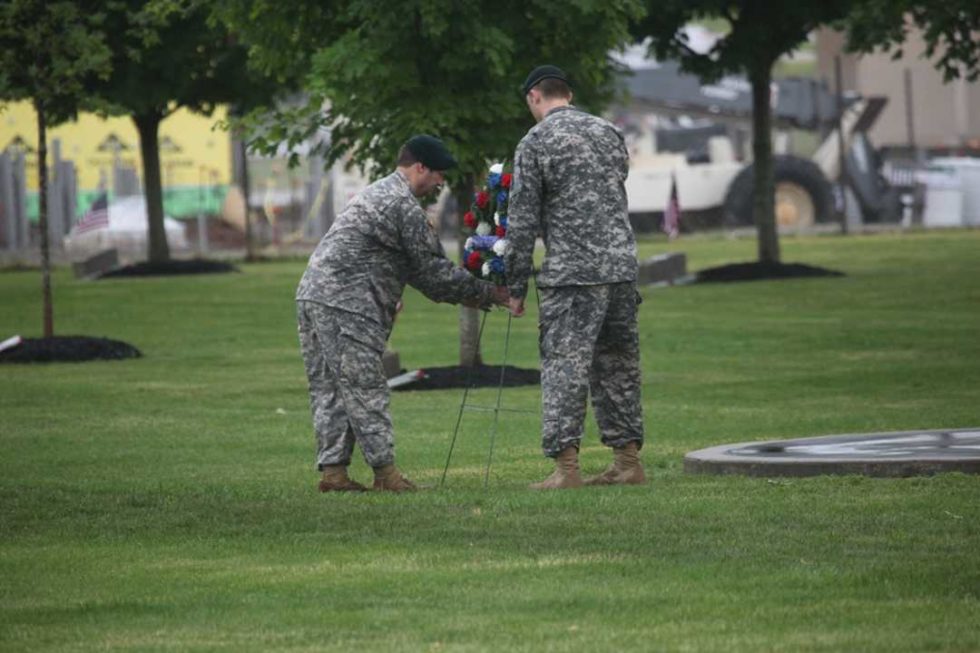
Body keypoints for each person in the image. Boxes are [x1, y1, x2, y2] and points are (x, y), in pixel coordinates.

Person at [296, 135, 508, 493]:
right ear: (419, 167)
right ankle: (387, 475)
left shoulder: (377, 192)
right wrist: (491, 293)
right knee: (366, 387)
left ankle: (334, 474)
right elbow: (433, 275)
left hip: (314, 298)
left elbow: (390, 261)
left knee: (330, 387)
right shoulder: (402, 205)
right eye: (438, 173)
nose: (441, 182)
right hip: (348, 305)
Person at [504, 65, 645, 489]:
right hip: (621, 269)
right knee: (618, 365)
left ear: (534, 96)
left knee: (565, 368)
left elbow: (523, 219)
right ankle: (628, 462)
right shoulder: (608, 132)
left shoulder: (535, 141)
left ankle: (566, 470)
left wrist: (514, 287)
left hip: (573, 275)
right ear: (568, 93)